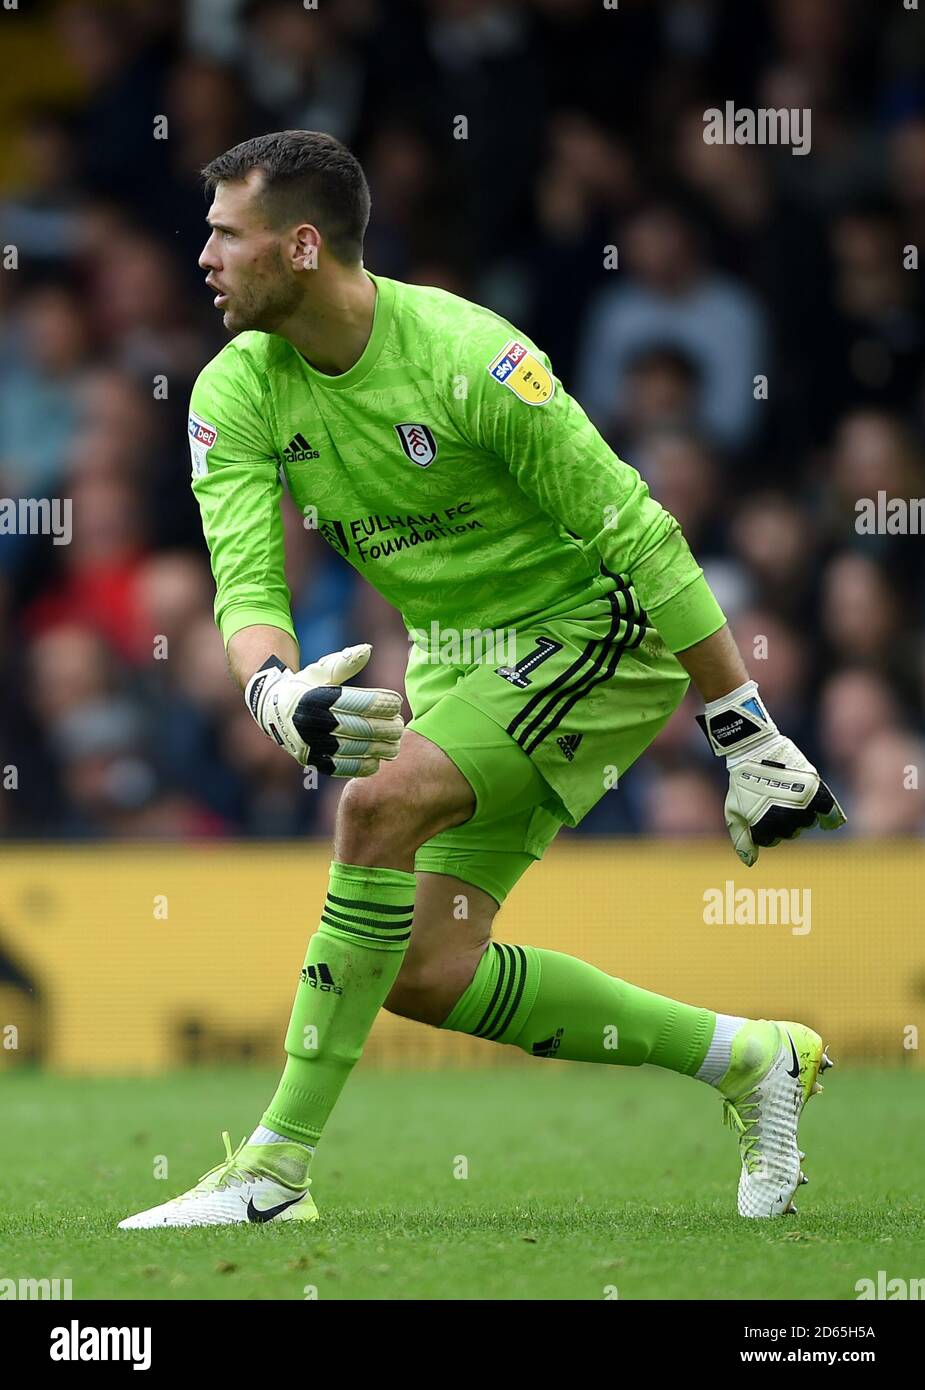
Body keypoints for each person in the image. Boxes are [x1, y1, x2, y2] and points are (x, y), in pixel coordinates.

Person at [118, 131, 843, 1230]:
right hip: (460, 651)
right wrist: (276, 693)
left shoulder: (468, 355)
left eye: (226, 233)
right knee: (423, 967)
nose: (204, 257)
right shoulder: (234, 390)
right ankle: (749, 1058)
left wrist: (739, 722)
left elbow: (641, 531)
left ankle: (273, 1170)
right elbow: (247, 585)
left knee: (374, 803)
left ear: (302, 246)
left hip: (598, 625)